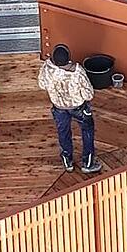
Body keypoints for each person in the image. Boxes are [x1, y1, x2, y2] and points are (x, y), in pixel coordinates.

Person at [37, 43, 100, 174]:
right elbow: (89, 94)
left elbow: (42, 84)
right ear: (69, 57)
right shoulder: (77, 72)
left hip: (59, 107)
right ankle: (87, 163)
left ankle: (68, 161)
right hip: (78, 107)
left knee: (63, 133)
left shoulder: (47, 69)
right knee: (87, 131)